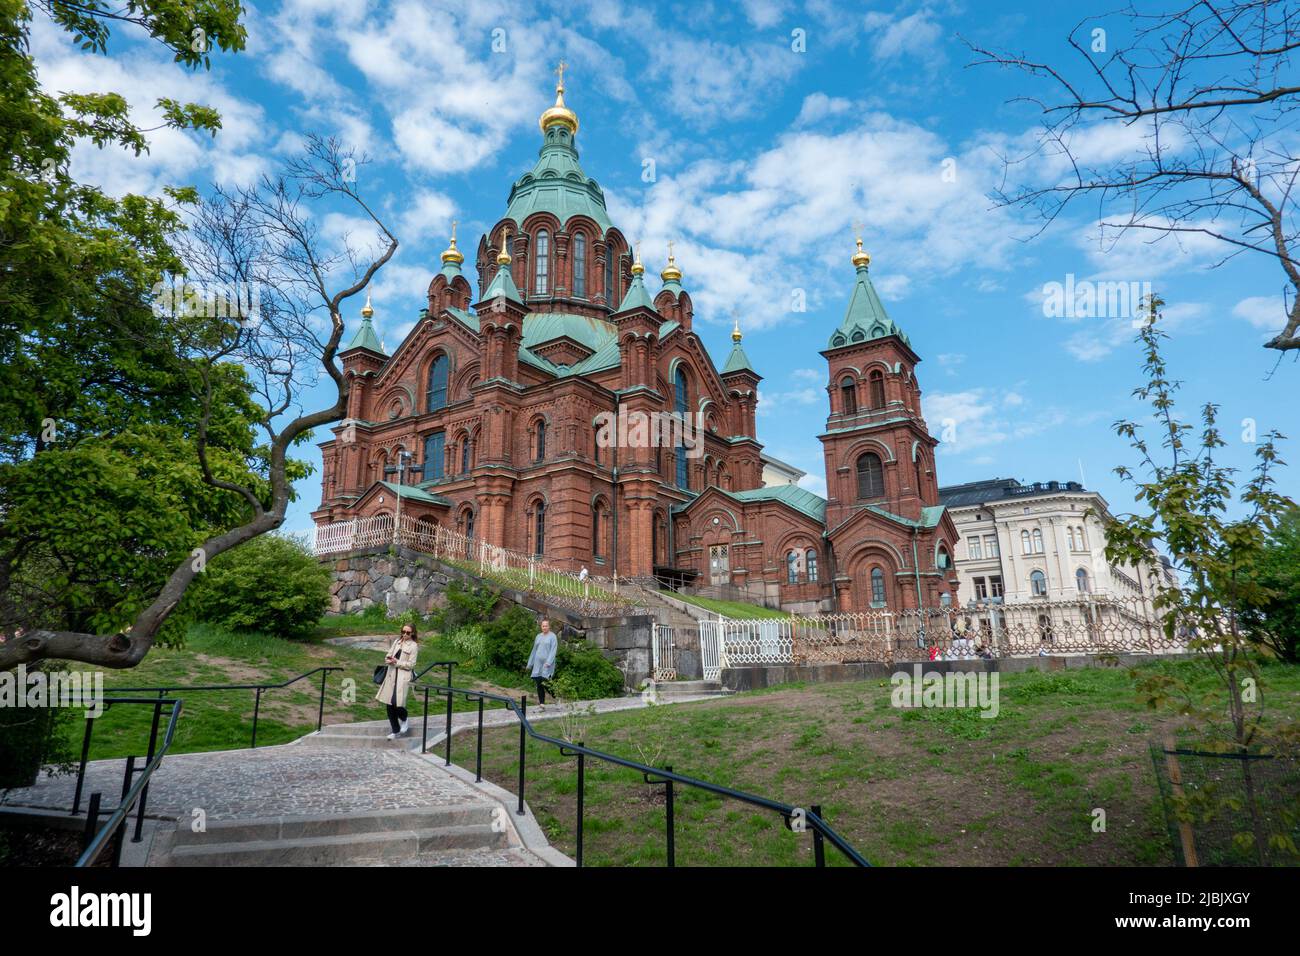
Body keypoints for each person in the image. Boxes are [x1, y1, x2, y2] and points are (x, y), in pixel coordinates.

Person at [376, 623, 419, 738]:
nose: (405, 634)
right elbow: (388, 655)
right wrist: (388, 660)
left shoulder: (413, 646)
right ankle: (395, 731)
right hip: (391, 676)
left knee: (398, 703)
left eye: (408, 632)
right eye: (403, 631)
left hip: (402, 677)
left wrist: (397, 662)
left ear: (412, 633)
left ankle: (404, 719)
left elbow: (411, 664)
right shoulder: (397, 642)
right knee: (389, 704)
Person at [527, 618, 558, 704]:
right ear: (541, 626)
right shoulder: (538, 636)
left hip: (547, 664)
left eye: (546, 626)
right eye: (543, 626)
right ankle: (542, 704)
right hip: (537, 664)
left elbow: (553, 650)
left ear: (549, 626)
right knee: (538, 683)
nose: (544, 627)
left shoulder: (553, 636)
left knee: (546, 682)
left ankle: (557, 697)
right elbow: (534, 650)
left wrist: (548, 662)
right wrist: (530, 663)